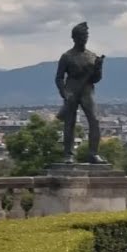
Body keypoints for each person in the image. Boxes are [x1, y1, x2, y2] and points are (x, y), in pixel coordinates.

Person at [55, 21, 106, 163]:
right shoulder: (67, 56)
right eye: (82, 36)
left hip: (87, 91)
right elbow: (59, 77)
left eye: (86, 36)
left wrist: (98, 69)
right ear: (75, 38)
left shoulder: (92, 56)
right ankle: (68, 154)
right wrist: (64, 93)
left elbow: (96, 79)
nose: (84, 39)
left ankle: (93, 153)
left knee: (94, 120)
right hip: (71, 90)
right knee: (69, 123)